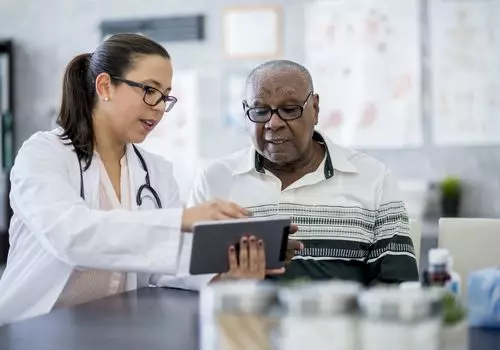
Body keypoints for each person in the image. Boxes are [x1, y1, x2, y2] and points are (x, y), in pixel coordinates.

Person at [0, 34, 280, 324]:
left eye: (166, 96)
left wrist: (228, 268)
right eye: (149, 90)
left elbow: (167, 264)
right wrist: (181, 219)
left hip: (113, 331)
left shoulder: (156, 171)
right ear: (105, 86)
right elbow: (72, 237)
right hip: (31, 329)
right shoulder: (43, 153)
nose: (159, 106)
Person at [159, 60, 419, 290]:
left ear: (315, 108)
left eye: (290, 109)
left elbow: (398, 285)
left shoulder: (372, 177)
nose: (273, 123)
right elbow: (181, 276)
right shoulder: (215, 179)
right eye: (260, 111)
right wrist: (232, 277)